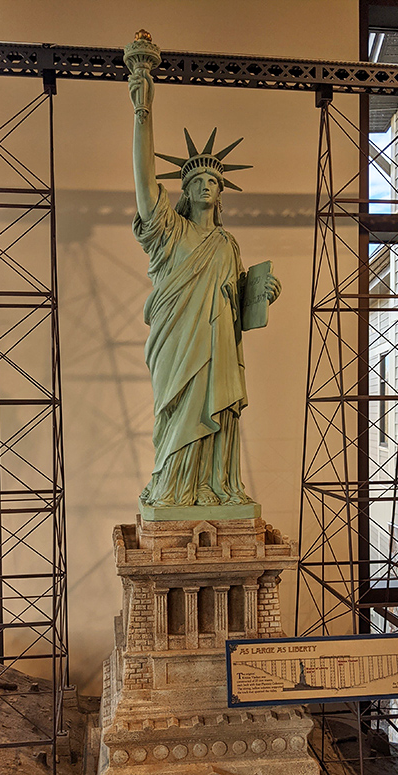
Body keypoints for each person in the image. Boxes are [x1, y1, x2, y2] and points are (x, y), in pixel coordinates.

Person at [129, 66, 280, 510]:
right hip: (179, 345)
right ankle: (174, 489)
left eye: (213, 181)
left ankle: (216, 487)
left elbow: (238, 305)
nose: (206, 186)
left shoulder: (227, 244)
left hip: (219, 350)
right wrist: (143, 108)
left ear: (221, 192)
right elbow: (142, 185)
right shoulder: (169, 233)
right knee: (179, 415)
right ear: (185, 191)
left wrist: (263, 291)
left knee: (221, 412)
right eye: (197, 181)